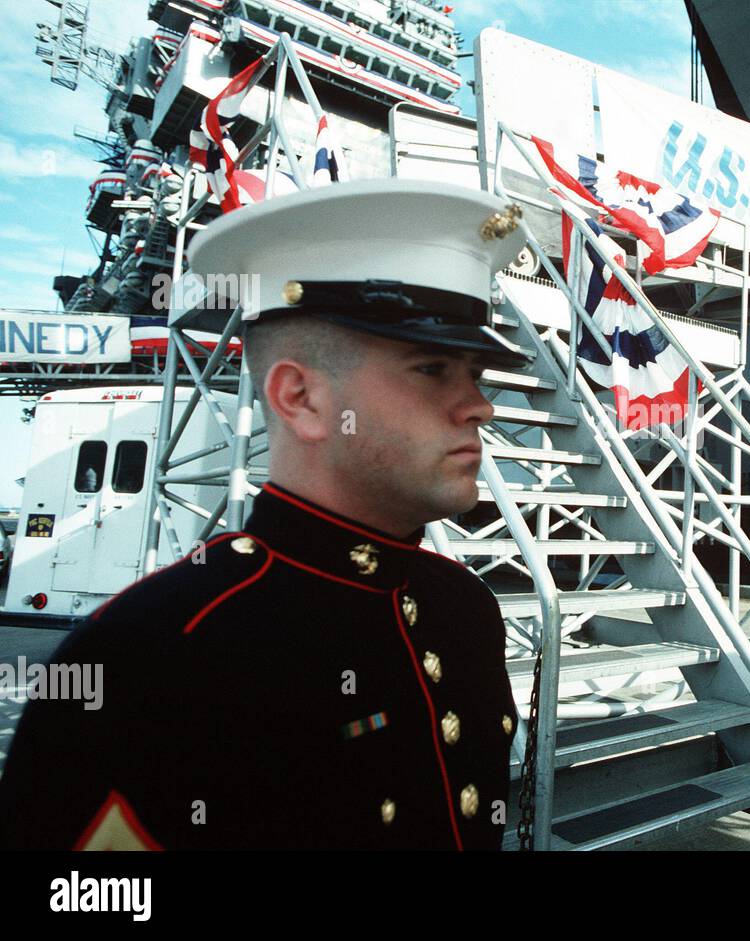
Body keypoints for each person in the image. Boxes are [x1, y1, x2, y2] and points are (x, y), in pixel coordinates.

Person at [0, 179, 534, 849]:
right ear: (301, 398)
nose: (478, 405)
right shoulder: (150, 660)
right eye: (432, 368)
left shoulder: (465, 608)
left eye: (477, 374)